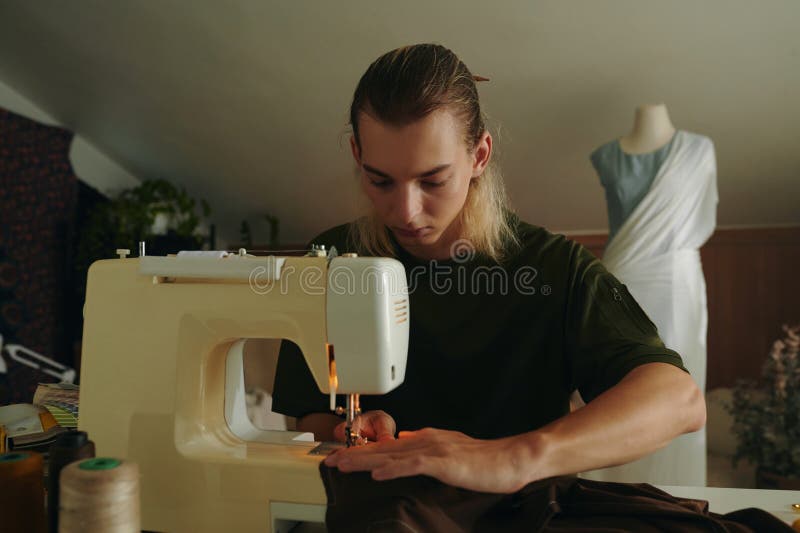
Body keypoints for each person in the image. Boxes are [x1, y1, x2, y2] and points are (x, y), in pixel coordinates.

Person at [272, 43, 706, 495]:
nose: (405, 211)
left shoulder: (553, 269)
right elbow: (311, 413)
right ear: (357, 153)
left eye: (433, 180)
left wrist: (515, 457)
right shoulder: (332, 259)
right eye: (380, 180)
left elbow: (679, 400)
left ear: (479, 156)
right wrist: (346, 428)